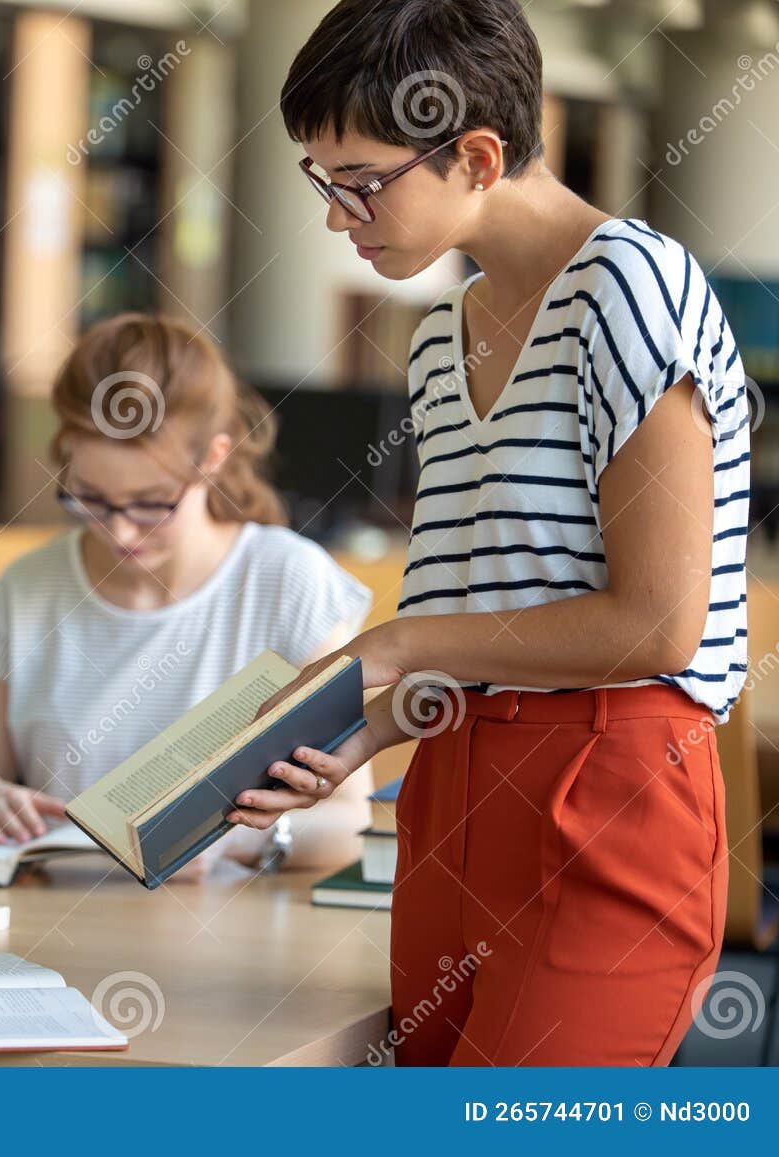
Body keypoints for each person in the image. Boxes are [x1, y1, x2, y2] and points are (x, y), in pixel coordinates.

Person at [229, 0, 747, 1065]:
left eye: (360, 181)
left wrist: (396, 644)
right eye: (320, 178)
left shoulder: (625, 287)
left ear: (475, 155)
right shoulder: (436, 337)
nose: (336, 215)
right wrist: (362, 736)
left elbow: (656, 626)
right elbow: (476, 618)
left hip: (607, 790)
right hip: (447, 794)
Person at [0, 313, 373, 874]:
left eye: (151, 503)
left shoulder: (288, 584)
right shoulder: (28, 590)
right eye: (91, 498)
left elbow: (353, 823)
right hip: (61, 925)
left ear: (213, 459)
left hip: (226, 935)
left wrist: (232, 840)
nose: (120, 532)